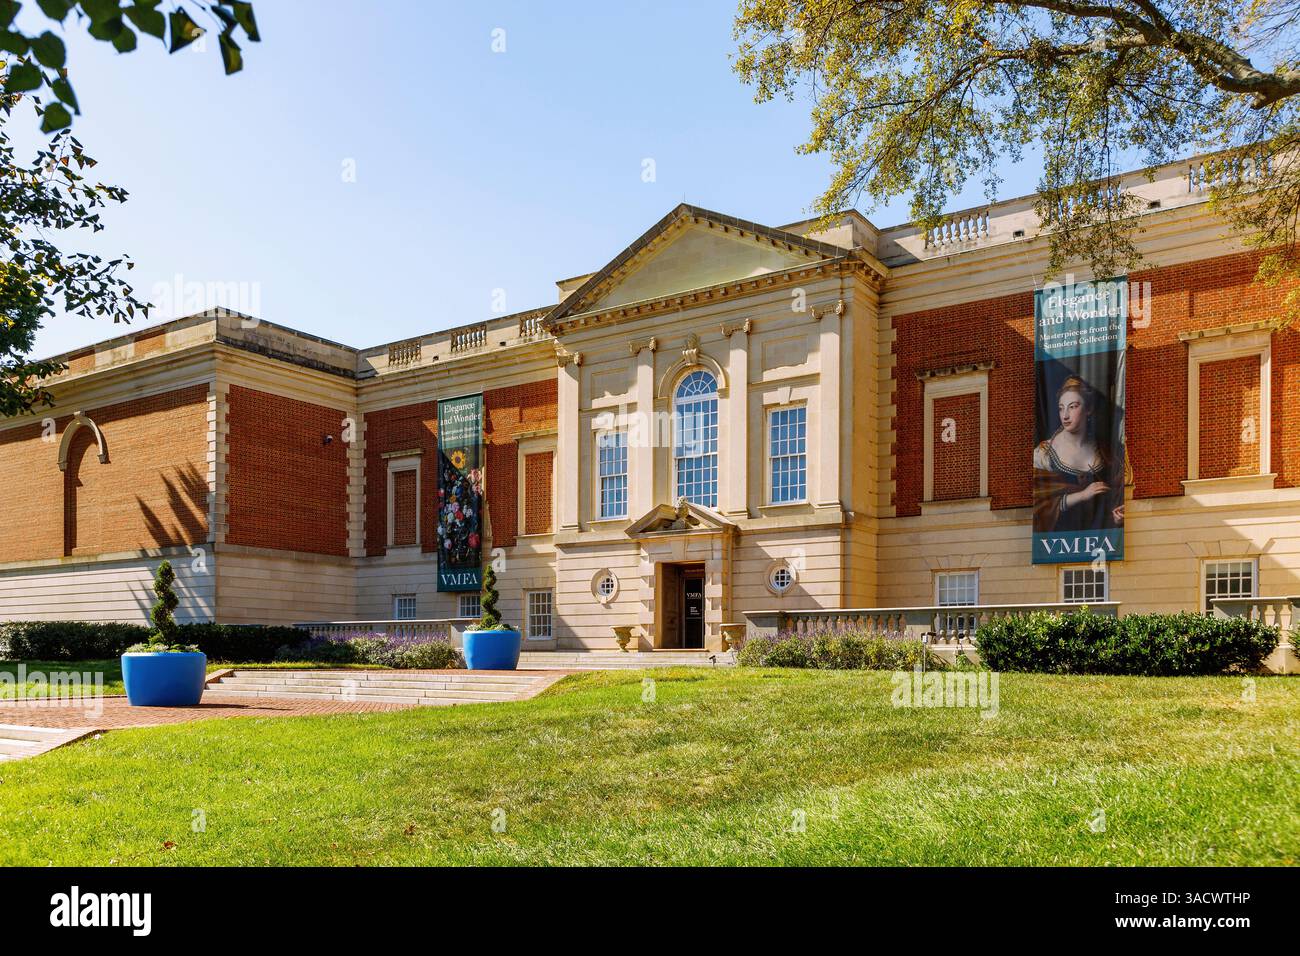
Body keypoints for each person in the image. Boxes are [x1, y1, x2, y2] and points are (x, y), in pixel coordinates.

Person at [1033, 375, 1124, 532]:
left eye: (1073, 406)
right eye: (1061, 408)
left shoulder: (1106, 453)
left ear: (1088, 409)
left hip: (1098, 541)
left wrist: (1116, 517)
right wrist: (1081, 495)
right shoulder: (1043, 454)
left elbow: (1113, 500)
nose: (1065, 415)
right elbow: (1039, 504)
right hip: (1059, 543)